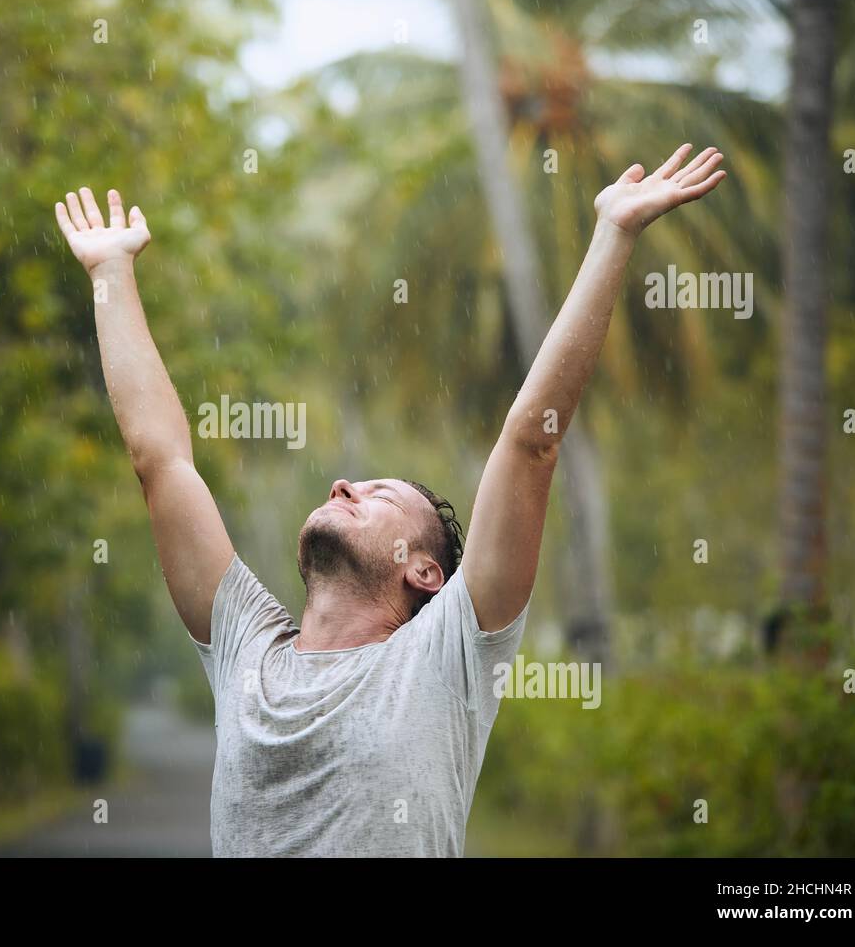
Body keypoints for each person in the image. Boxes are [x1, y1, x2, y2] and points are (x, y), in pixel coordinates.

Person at [53, 143, 726, 856]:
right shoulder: (244, 647)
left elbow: (532, 441)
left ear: (425, 573)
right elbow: (159, 461)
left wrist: (614, 234)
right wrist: (110, 273)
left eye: (377, 496)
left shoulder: (447, 657)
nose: (344, 485)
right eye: (351, 485)